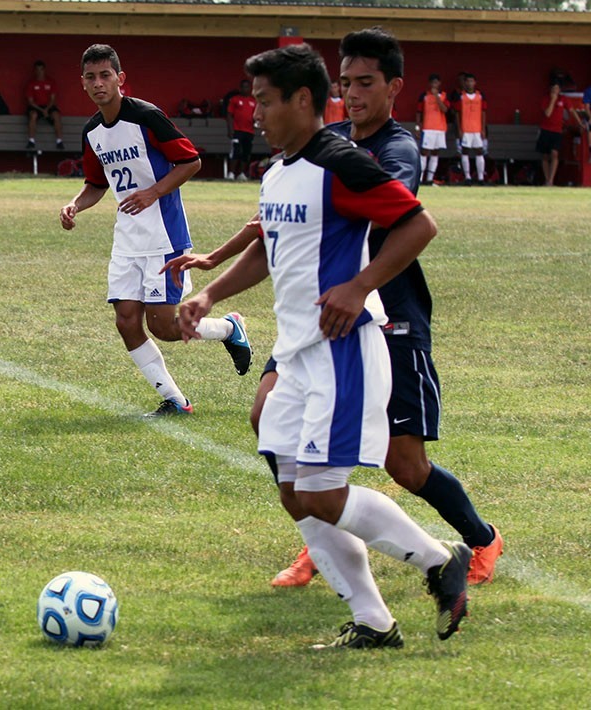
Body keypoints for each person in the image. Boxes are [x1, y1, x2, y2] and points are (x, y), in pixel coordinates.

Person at [164, 26, 503, 592]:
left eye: (366, 83)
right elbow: (273, 228)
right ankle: (322, 534)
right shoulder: (318, 141)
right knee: (268, 420)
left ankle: (479, 537)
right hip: (315, 322)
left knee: (405, 465)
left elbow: (387, 219)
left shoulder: (389, 152)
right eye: (346, 83)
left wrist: (357, 280)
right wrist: (212, 276)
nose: (355, 95)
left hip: (385, 316)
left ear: (395, 87)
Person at [58, 43, 252, 418]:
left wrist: (154, 192)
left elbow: (190, 160)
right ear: (82, 83)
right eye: (91, 77)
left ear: (120, 78)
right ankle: (176, 401)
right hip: (127, 240)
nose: (99, 83)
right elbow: (96, 183)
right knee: (126, 321)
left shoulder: (146, 117)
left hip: (164, 238)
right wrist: (74, 205)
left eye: (105, 75)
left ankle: (230, 329)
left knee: (163, 326)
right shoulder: (92, 132)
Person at [415, 73, 449, 185]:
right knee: (424, 152)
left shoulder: (444, 95)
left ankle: (430, 178)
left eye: (436, 82)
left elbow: (445, 109)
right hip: (427, 128)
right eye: (432, 83)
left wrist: (437, 97)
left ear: (439, 84)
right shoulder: (423, 95)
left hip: (440, 128)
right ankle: (419, 178)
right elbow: (419, 112)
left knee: (435, 153)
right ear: (429, 84)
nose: (434, 85)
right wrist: (417, 128)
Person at [455, 73, 488, 185]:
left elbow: (483, 113)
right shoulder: (461, 96)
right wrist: (459, 129)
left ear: (475, 83)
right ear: (465, 83)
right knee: (465, 151)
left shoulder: (480, 96)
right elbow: (457, 114)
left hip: (477, 129)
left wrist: (483, 129)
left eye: (471, 81)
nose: (470, 83)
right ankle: (468, 177)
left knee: (479, 151)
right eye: (467, 81)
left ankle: (480, 177)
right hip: (465, 129)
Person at [537, 83, 571, 186]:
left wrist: (580, 123)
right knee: (545, 156)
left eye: (557, 88)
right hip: (545, 130)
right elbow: (548, 113)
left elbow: (571, 111)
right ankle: (547, 179)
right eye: (553, 88)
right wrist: (553, 100)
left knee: (555, 154)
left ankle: (551, 179)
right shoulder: (545, 99)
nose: (556, 90)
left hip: (557, 131)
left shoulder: (564, 99)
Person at [26, 60, 65, 151]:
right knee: (33, 115)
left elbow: (53, 99)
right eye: (37, 70)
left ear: (44, 70)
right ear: (35, 71)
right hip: (36, 107)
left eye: (41, 69)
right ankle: (31, 141)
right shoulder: (31, 83)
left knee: (56, 115)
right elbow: (30, 102)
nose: (39, 72)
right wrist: (42, 110)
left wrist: (47, 109)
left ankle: (59, 141)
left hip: (48, 107)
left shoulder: (50, 82)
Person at [226, 79, 257, 181]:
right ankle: (231, 173)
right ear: (240, 88)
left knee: (246, 153)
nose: (245, 89)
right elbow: (229, 115)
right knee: (235, 151)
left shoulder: (253, 101)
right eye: (244, 87)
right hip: (237, 130)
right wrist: (230, 129)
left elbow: (255, 117)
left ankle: (242, 173)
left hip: (249, 131)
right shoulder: (235, 99)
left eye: (247, 87)